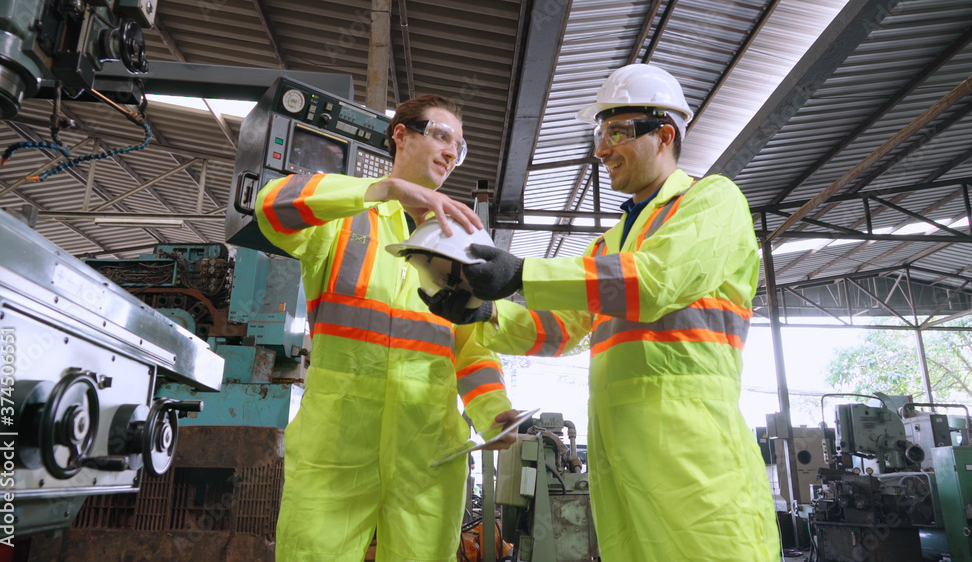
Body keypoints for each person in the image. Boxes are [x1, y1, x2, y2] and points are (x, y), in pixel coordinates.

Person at [423, 64, 780, 561]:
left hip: (692, 446)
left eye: (616, 132)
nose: (601, 150)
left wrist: (523, 273)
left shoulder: (711, 201)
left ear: (664, 135)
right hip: (617, 450)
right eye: (600, 134)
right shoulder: (608, 243)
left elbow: (655, 281)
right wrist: (486, 314)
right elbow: (560, 330)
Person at [255, 94, 513, 561]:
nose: (451, 152)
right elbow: (271, 206)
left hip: (427, 452)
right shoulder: (345, 216)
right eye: (441, 135)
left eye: (459, 147)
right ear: (401, 135)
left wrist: (495, 411)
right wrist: (385, 190)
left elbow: (472, 348)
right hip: (336, 447)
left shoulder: (463, 240)